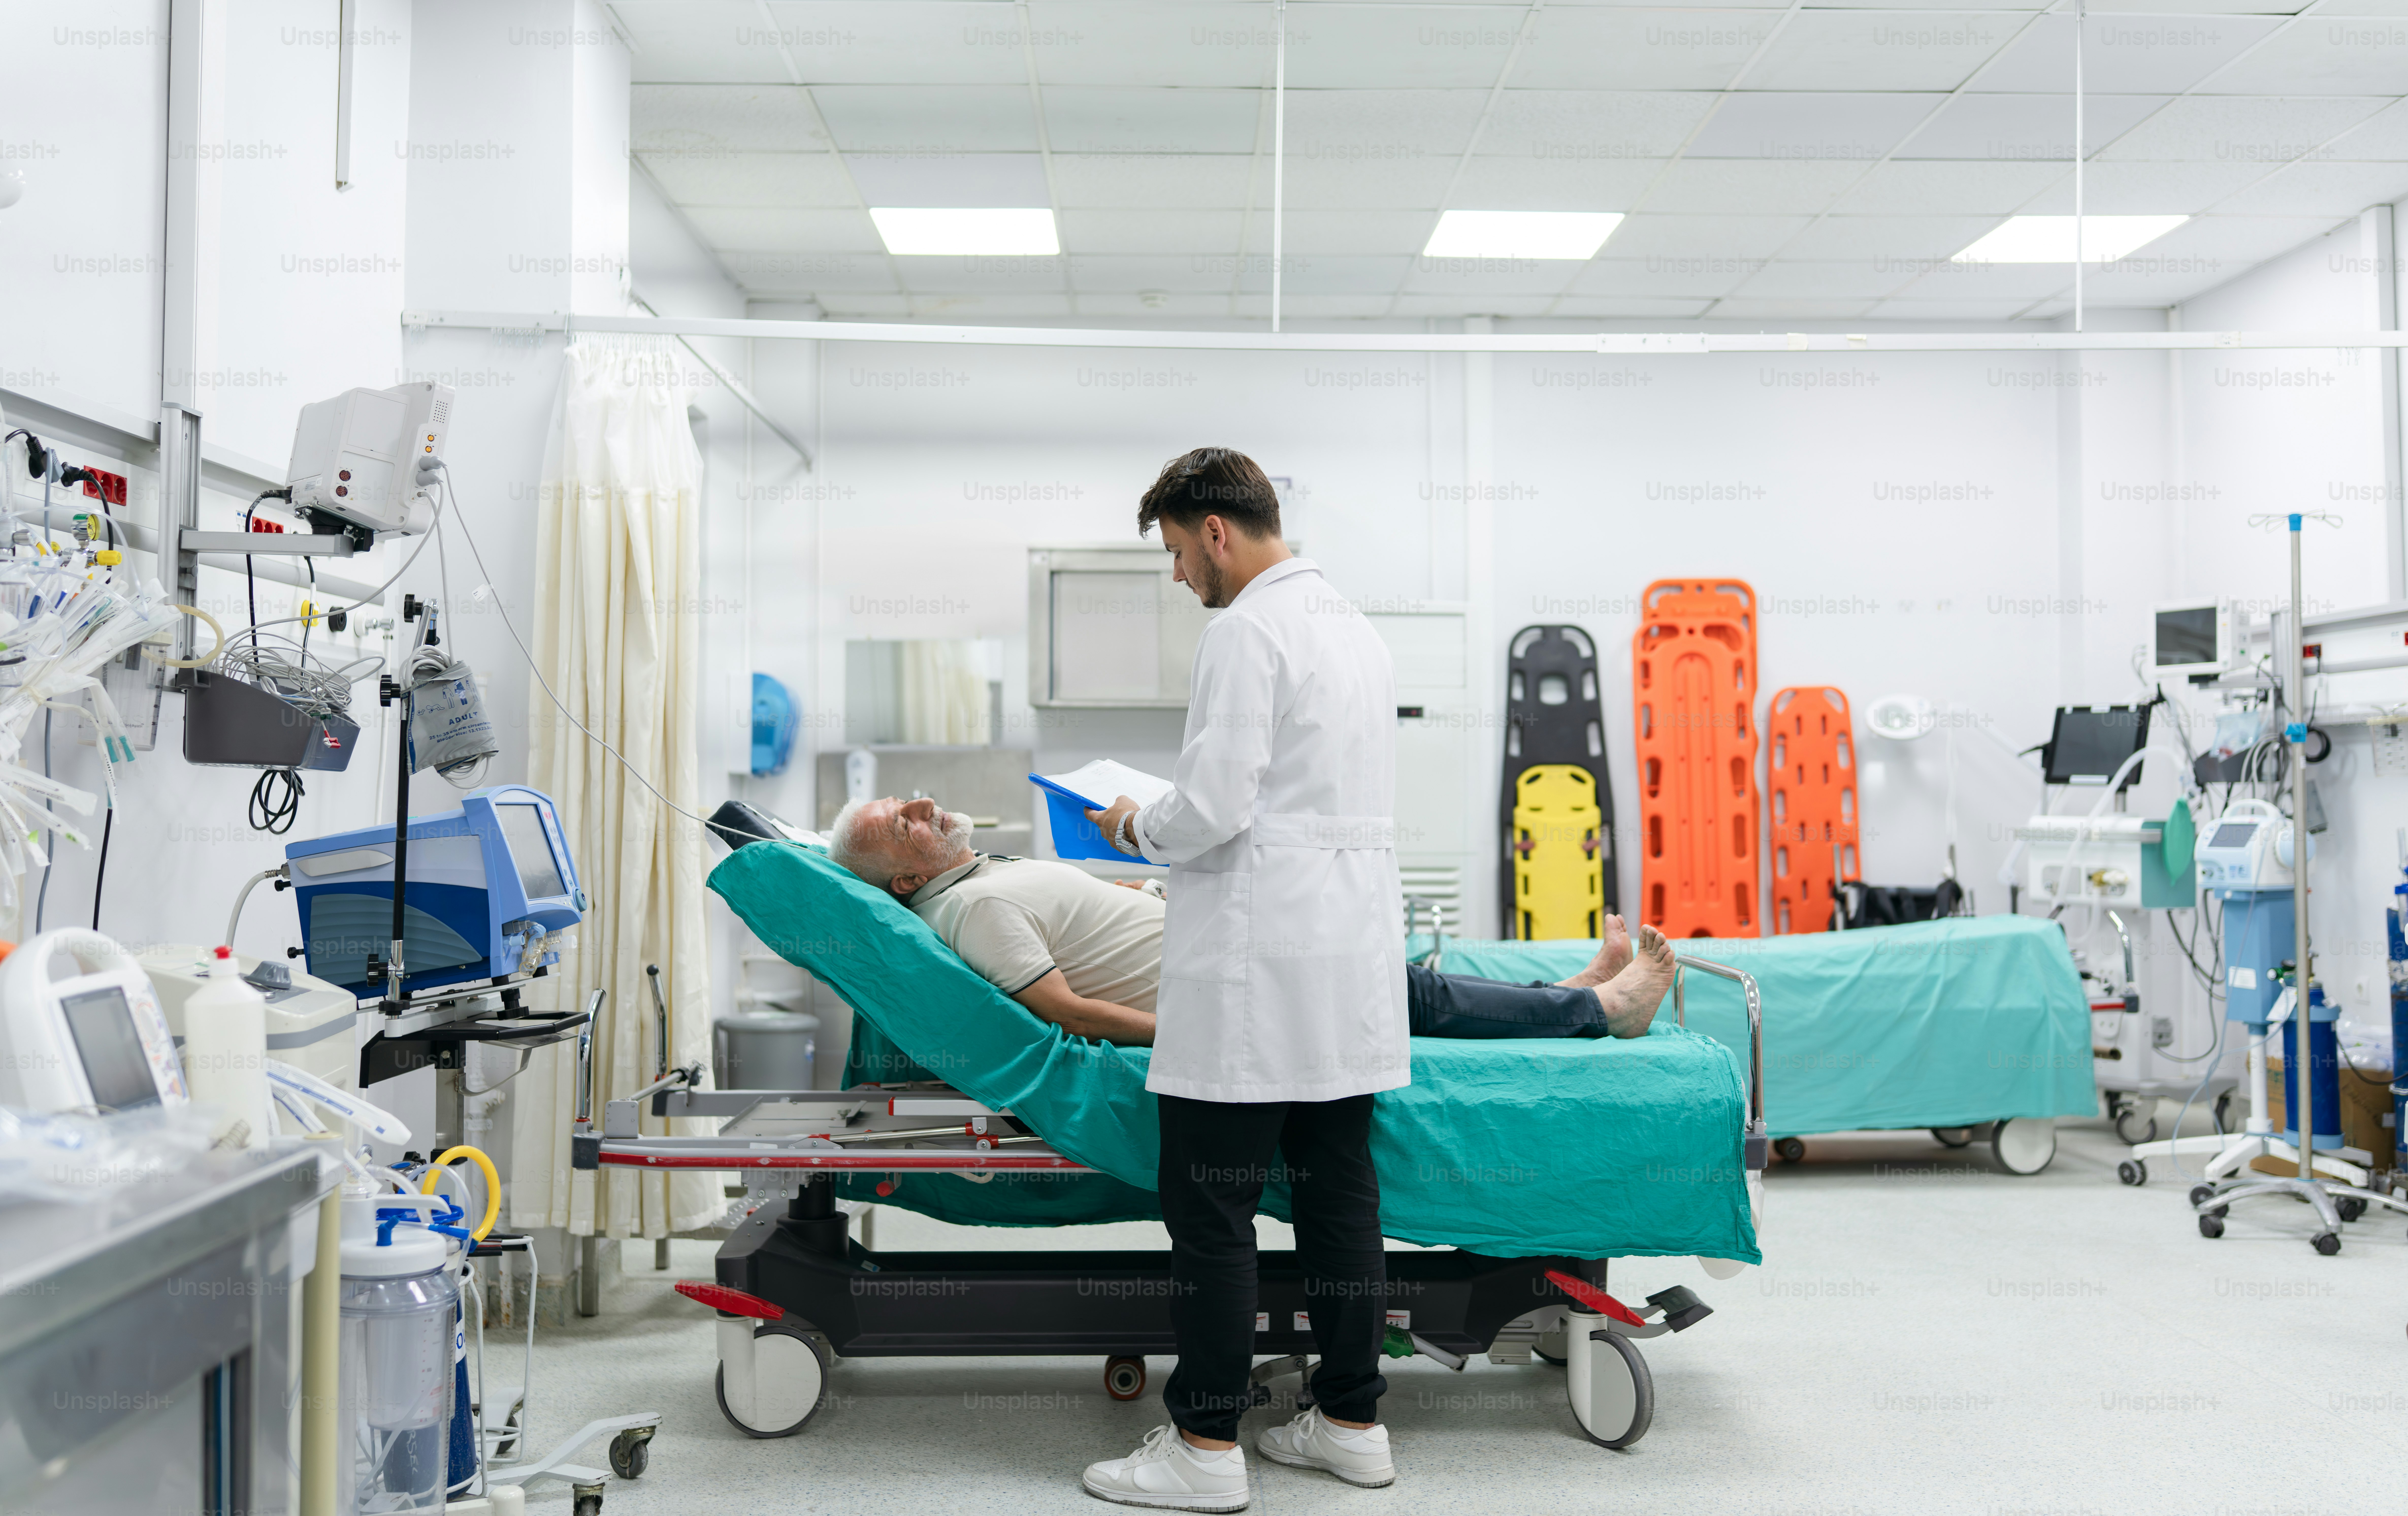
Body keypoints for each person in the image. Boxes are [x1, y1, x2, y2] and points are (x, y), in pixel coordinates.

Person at [825, 795, 1678, 1047]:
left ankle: (1569, 997)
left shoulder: (981, 876)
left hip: (1229, 953)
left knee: (1413, 991)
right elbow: (1064, 1012)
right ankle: (1602, 1011)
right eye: (905, 820)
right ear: (904, 878)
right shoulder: (976, 906)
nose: (928, 805)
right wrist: (1183, 1037)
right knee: (1407, 996)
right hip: (1229, 990)